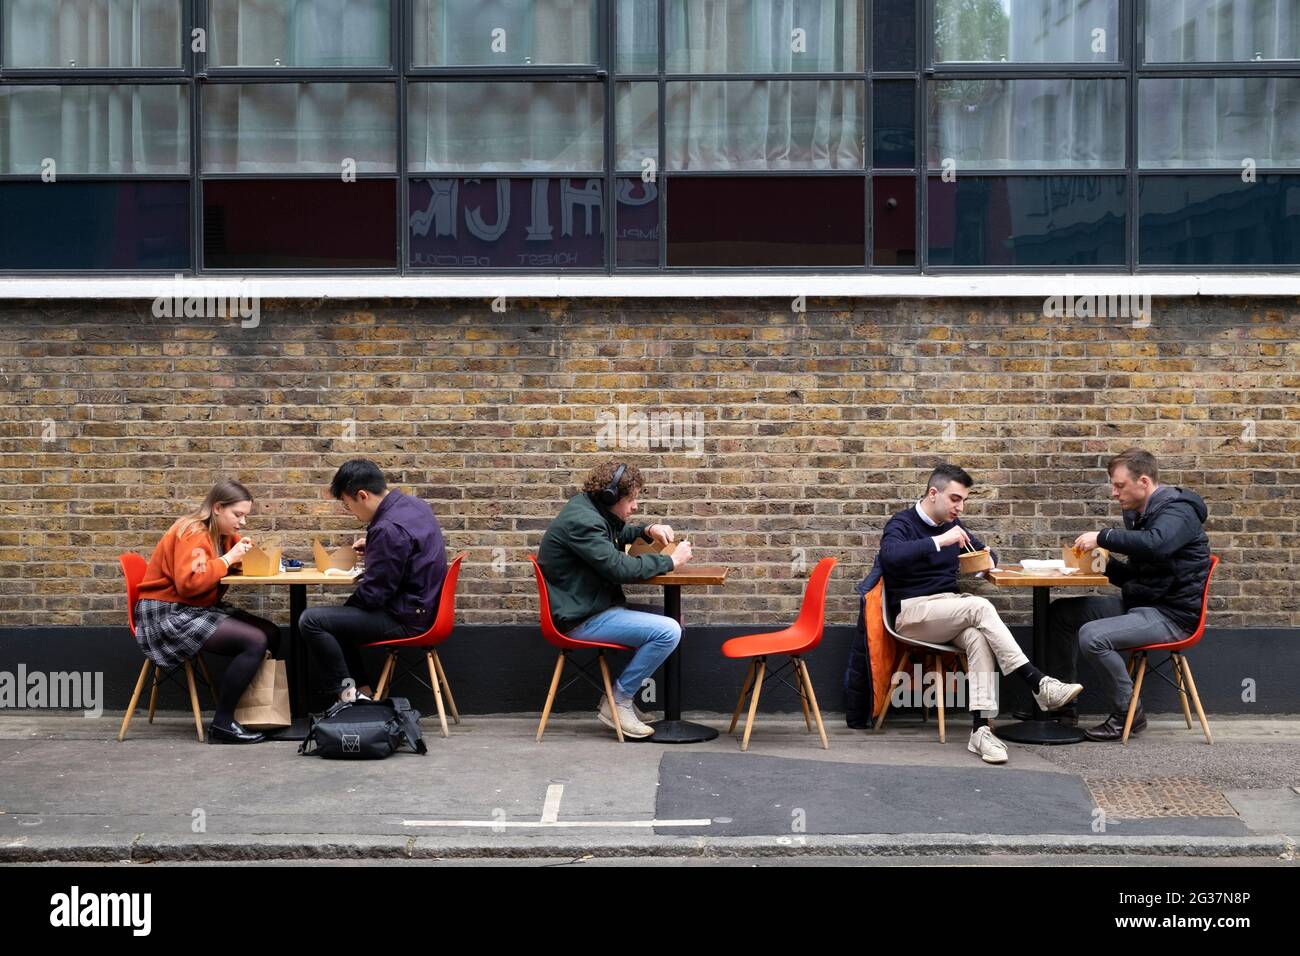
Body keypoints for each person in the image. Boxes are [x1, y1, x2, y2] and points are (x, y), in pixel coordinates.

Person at [859, 463, 1083, 764]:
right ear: (933, 493)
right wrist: (940, 541)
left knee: (978, 637)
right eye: (955, 499)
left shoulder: (955, 527)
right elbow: (891, 556)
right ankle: (1037, 682)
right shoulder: (903, 523)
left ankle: (980, 730)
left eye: (964, 500)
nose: (960, 507)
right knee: (979, 606)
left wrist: (987, 558)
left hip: (950, 610)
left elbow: (985, 555)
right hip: (911, 616)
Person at [1050, 448, 1211, 741]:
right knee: (1061, 614)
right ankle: (1063, 705)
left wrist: (1103, 537)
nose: (1114, 493)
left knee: (1093, 636)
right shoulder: (1140, 515)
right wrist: (1104, 564)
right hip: (1141, 606)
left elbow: (1155, 545)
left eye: (1119, 485)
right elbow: (1138, 577)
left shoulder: (1179, 512)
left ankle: (1128, 713)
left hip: (1171, 616)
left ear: (1144, 482)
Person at [537, 460, 692, 739]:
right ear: (610, 496)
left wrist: (647, 529)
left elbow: (617, 532)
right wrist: (670, 561)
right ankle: (617, 701)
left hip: (593, 607)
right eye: (630, 500)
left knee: (675, 619)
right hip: (580, 618)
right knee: (668, 630)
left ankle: (622, 698)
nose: (635, 506)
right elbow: (619, 568)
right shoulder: (583, 522)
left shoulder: (591, 510)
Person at [134, 480, 281, 744]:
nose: (243, 522)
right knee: (255, 640)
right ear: (217, 508)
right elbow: (191, 584)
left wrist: (242, 553)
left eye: (245, 515)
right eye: (238, 515)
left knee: (270, 632)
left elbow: (224, 564)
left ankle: (257, 714)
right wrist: (228, 558)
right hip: (168, 613)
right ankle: (223, 724)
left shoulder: (219, 534)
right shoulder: (193, 532)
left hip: (194, 607)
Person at [300, 460, 447, 705]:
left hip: (407, 618)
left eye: (348, 506)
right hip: (425, 610)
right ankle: (363, 691)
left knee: (313, 621)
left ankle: (348, 697)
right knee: (339, 619)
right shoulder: (414, 506)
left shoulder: (387, 527)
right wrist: (376, 547)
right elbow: (410, 545)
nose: (353, 513)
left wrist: (350, 600)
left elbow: (376, 594)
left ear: (362, 495)